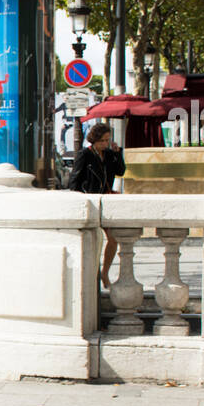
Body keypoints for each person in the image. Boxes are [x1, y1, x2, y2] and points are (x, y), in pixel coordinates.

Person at [68, 122, 126, 288]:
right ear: (94, 140)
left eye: (107, 140)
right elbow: (74, 180)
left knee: (113, 239)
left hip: (106, 201)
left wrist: (117, 154)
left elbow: (120, 172)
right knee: (93, 241)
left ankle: (105, 273)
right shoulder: (84, 155)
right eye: (102, 141)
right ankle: (92, 273)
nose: (105, 144)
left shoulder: (108, 154)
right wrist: (79, 199)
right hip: (90, 201)